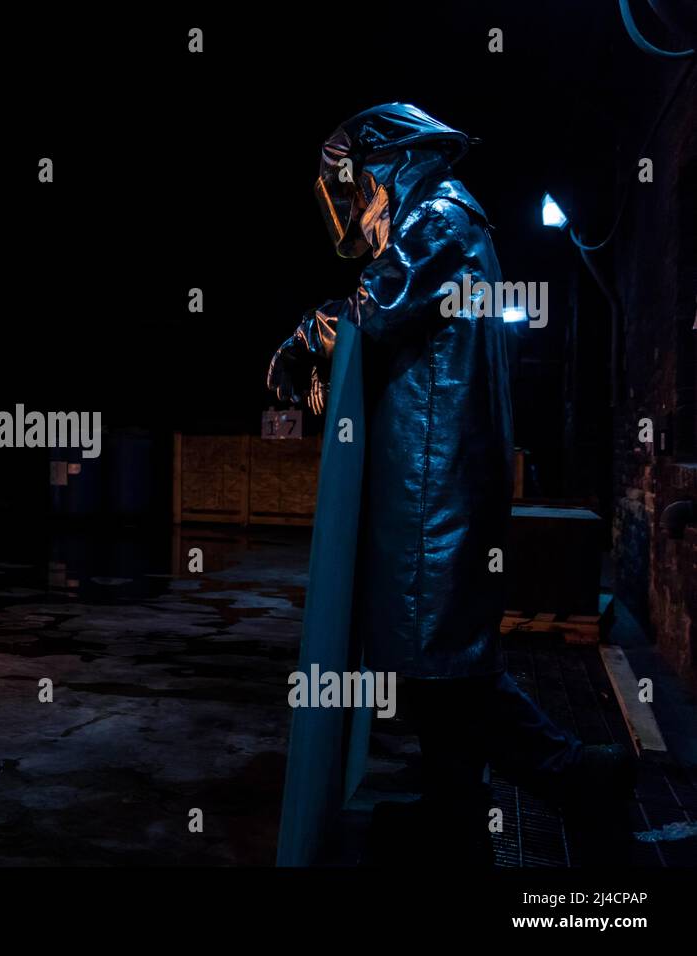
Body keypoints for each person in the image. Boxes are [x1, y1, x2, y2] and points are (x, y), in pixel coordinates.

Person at [267, 103, 634, 864]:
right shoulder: (441, 220)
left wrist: (306, 335)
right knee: (437, 661)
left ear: (390, 165)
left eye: (359, 184)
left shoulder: (438, 218)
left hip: (435, 489)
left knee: (447, 668)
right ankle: (455, 811)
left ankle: (579, 775)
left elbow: (374, 311)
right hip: (431, 480)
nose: (356, 204)